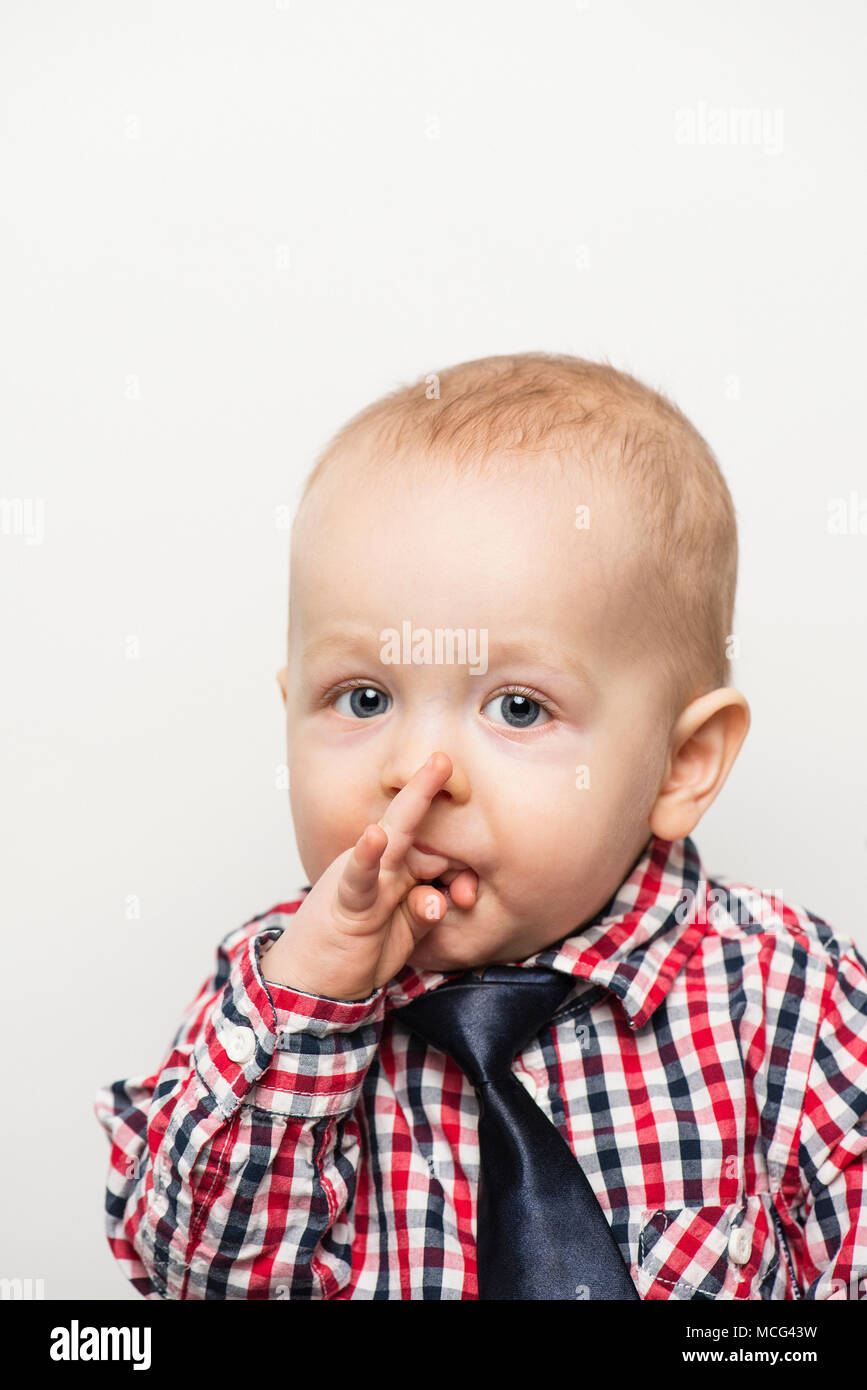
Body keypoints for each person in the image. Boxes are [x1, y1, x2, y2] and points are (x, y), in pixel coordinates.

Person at [94, 352, 867, 1299]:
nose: (418, 773)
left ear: (681, 763)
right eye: (364, 696)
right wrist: (309, 1008)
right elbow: (190, 1269)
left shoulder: (790, 999)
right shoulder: (268, 999)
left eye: (516, 709)